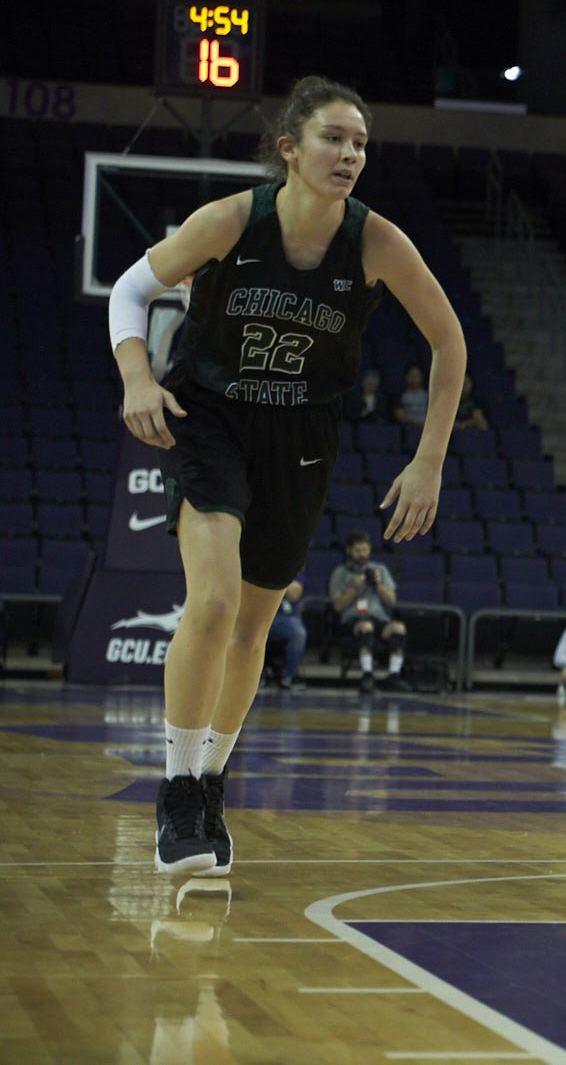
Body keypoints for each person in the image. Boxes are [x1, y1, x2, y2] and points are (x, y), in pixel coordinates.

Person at [113, 76, 463, 875]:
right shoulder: (234, 219)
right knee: (214, 600)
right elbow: (133, 289)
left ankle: (209, 783)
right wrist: (138, 378)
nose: (350, 154)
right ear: (289, 150)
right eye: (335, 138)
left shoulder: (375, 241)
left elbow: (451, 344)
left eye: (361, 142)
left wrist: (429, 458)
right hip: (209, 418)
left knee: (252, 627)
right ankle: (174, 788)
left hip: (304, 430)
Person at [329, 531, 409, 694]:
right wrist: (353, 587)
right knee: (366, 627)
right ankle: (367, 675)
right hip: (353, 620)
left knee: (398, 628)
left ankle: (393, 675)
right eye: (358, 550)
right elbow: (337, 606)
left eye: (365, 550)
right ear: (349, 550)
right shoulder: (340, 573)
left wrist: (378, 585)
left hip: (378, 617)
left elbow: (391, 601)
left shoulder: (379, 569)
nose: (362, 554)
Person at [266, 571, 307, 692]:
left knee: (298, 632)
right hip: (260, 614)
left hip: (283, 618)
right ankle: (256, 677)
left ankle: (289, 676)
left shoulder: (291, 566)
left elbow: (294, 593)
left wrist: (275, 577)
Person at [391, 363, 430, 429]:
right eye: (411, 375)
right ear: (406, 377)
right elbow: (400, 416)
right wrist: (416, 423)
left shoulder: (428, 396)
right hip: (407, 429)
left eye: (416, 375)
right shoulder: (400, 396)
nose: (414, 378)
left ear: (421, 377)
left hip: (426, 428)